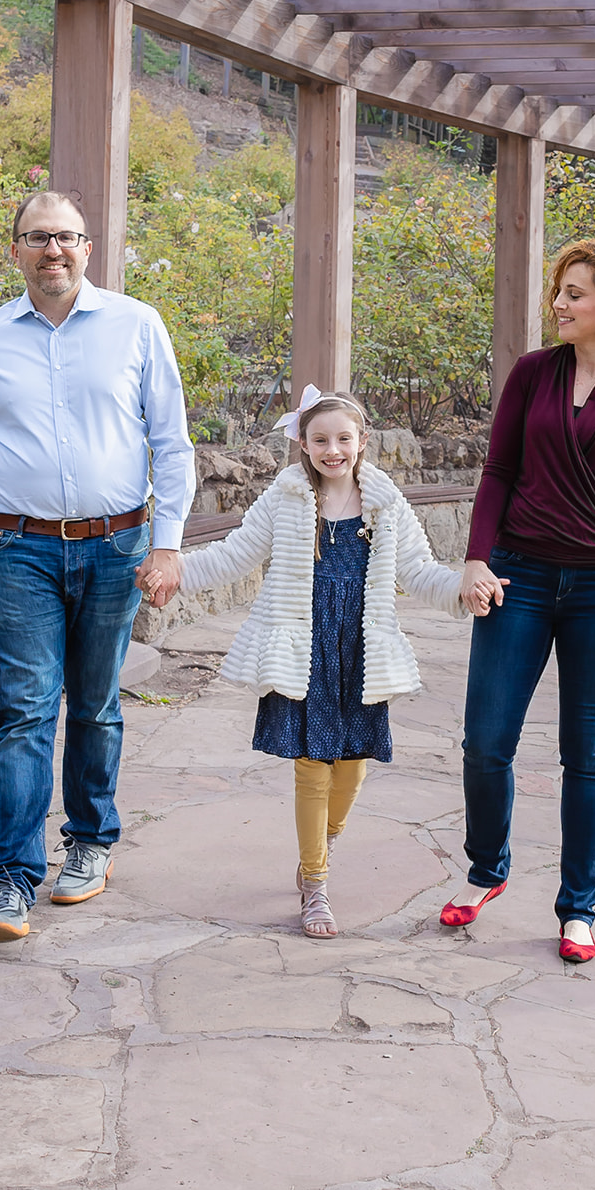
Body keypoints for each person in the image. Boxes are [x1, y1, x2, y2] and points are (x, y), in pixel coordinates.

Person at [0, 189, 196, 943]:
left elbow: (171, 443)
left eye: (67, 237)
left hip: (117, 545)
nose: (54, 251)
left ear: (88, 248)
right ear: (15, 250)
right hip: (20, 550)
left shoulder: (137, 326)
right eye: (38, 238)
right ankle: (9, 882)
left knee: (98, 702)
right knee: (25, 711)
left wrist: (167, 543)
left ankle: (90, 840)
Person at [444, 237, 595, 963]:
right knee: (486, 741)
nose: (559, 304)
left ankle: (579, 908)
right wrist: (476, 558)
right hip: (518, 576)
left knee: (589, 754)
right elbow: (498, 471)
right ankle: (488, 869)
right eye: (559, 290)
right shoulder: (531, 374)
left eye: (575, 293)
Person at [171, 386, 472, 938]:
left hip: (359, 649)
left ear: (361, 442)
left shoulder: (385, 503)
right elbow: (234, 554)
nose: (332, 450)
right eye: (320, 439)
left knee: (352, 764)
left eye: (343, 438)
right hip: (305, 648)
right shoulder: (286, 500)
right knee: (312, 766)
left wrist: (461, 591)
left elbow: (420, 571)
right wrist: (177, 573)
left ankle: (322, 843)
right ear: (303, 445)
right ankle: (315, 882)